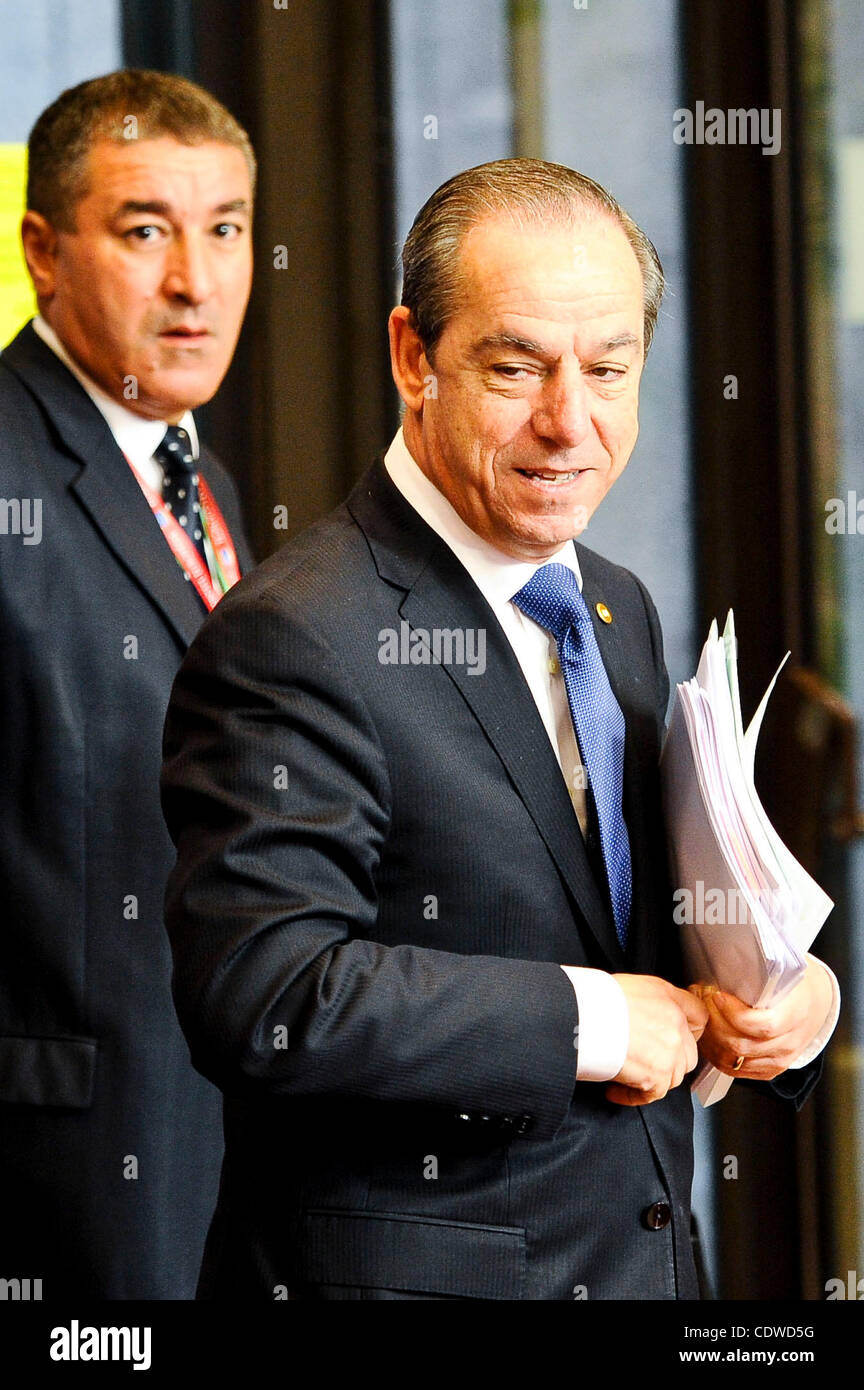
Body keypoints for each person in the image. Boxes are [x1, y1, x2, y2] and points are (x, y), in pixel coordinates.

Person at [161, 159, 838, 1300]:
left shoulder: (615, 606)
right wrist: (589, 1019)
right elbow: (265, 994)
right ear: (412, 358)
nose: (569, 422)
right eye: (516, 367)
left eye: (609, 369)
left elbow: (619, 928)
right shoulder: (295, 633)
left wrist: (782, 999)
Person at [0, 69, 255, 1299]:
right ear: (43, 252)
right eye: (146, 229)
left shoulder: (203, 480)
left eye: (226, 229)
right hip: (55, 1180)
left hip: (218, 1148)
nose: (195, 282)